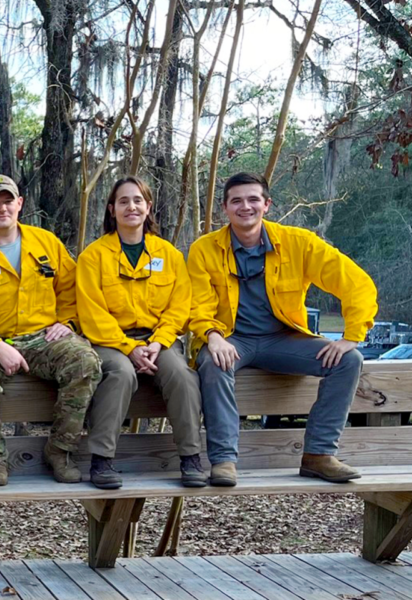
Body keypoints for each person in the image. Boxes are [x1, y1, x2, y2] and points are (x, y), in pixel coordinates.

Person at [189, 172, 378, 486]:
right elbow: (196, 303)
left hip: (283, 339)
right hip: (233, 339)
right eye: (236, 200)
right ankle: (223, 461)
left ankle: (319, 455)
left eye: (253, 199)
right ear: (225, 208)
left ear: (267, 204)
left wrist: (351, 336)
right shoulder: (204, 249)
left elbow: (356, 283)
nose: (245, 206)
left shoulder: (299, 243)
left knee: (349, 361)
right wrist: (212, 336)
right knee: (212, 362)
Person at [0, 174, 102, 486]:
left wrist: (66, 322)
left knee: (85, 362)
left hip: (43, 338)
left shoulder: (46, 244)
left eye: (8, 201)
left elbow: (72, 290)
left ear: (19, 204)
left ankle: (60, 450)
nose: (2, 208)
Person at [76, 177, 205, 489]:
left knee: (183, 376)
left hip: (159, 341)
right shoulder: (93, 256)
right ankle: (102, 460)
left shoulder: (170, 255)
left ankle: (191, 458)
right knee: (120, 374)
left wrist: (158, 343)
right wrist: (127, 347)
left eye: (137, 201)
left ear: (148, 208)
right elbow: (91, 313)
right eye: (123, 201)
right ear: (111, 210)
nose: (131, 206)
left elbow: (179, 307)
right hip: (111, 343)